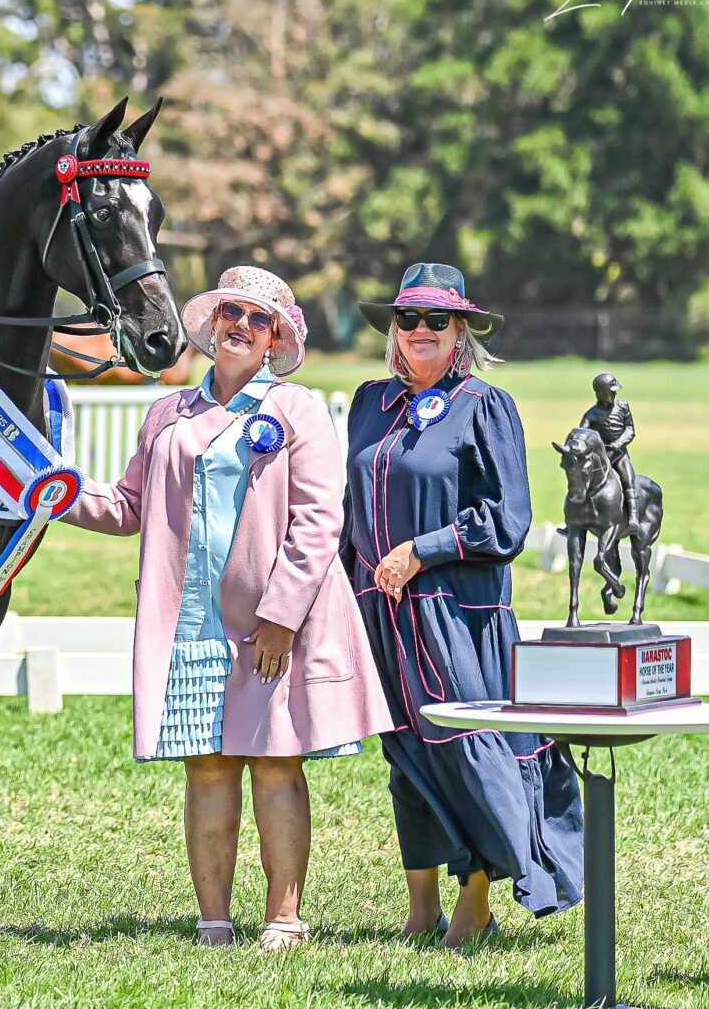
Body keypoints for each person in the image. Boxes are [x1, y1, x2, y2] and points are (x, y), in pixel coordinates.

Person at [63, 267, 394, 950]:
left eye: (259, 318)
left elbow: (318, 519)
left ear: (276, 339)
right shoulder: (167, 414)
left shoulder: (297, 410)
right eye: (231, 313)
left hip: (273, 624)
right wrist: (55, 491)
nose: (241, 325)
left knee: (276, 763)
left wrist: (281, 614)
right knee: (207, 766)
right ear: (212, 326)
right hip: (191, 624)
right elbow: (129, 508)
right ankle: (213, 921)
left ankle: (284, 918)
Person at [345, 262, 584, 949]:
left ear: (462, 333)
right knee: (407, 756)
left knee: (465, 750)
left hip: (458, 614)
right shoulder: (369, 403)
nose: (420, 331)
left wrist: (424, 549)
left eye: (436, 321)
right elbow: (349, 507)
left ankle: (475, 901)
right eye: (408, 318)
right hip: (382, 615)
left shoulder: (484, 405)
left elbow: (507, 519)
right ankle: (420, 908)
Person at [580, 372, 640, 533]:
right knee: (580, 480)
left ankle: (633, 517)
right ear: (600, 393)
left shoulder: (623, 406)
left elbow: (630, 429)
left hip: (619, 455)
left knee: (628, 478)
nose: (614, 393)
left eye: (615, 391)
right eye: (610, 391)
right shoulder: (590, 414)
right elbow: (582, 435)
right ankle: (575, 520)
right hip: (600, 459)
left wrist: (617, 444)